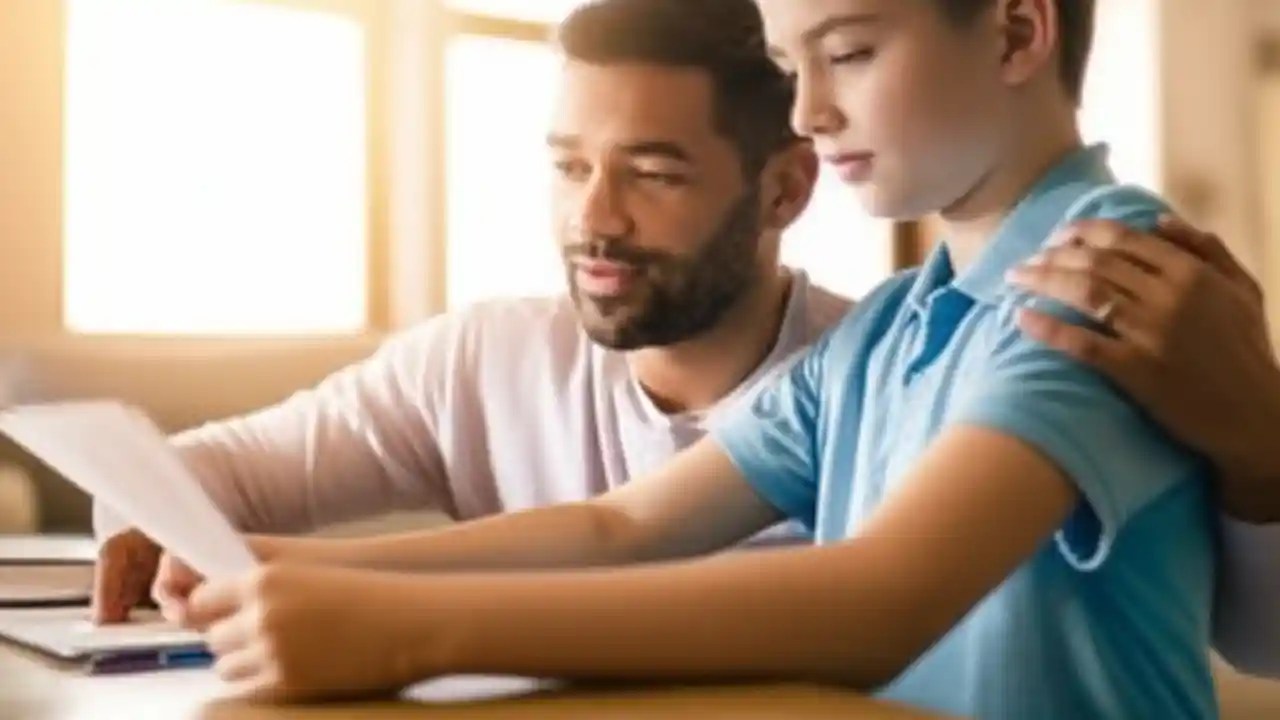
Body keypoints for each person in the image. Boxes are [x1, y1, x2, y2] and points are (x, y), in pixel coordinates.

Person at [155, 0, 1220, 716]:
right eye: (788, 65)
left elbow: (878, 602)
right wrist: (269, 573)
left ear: (1014, 31)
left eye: (846, 52)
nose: (807, 110)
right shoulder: (890, 324)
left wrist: (404, 633)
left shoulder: (1100, 275)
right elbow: (625, 528)